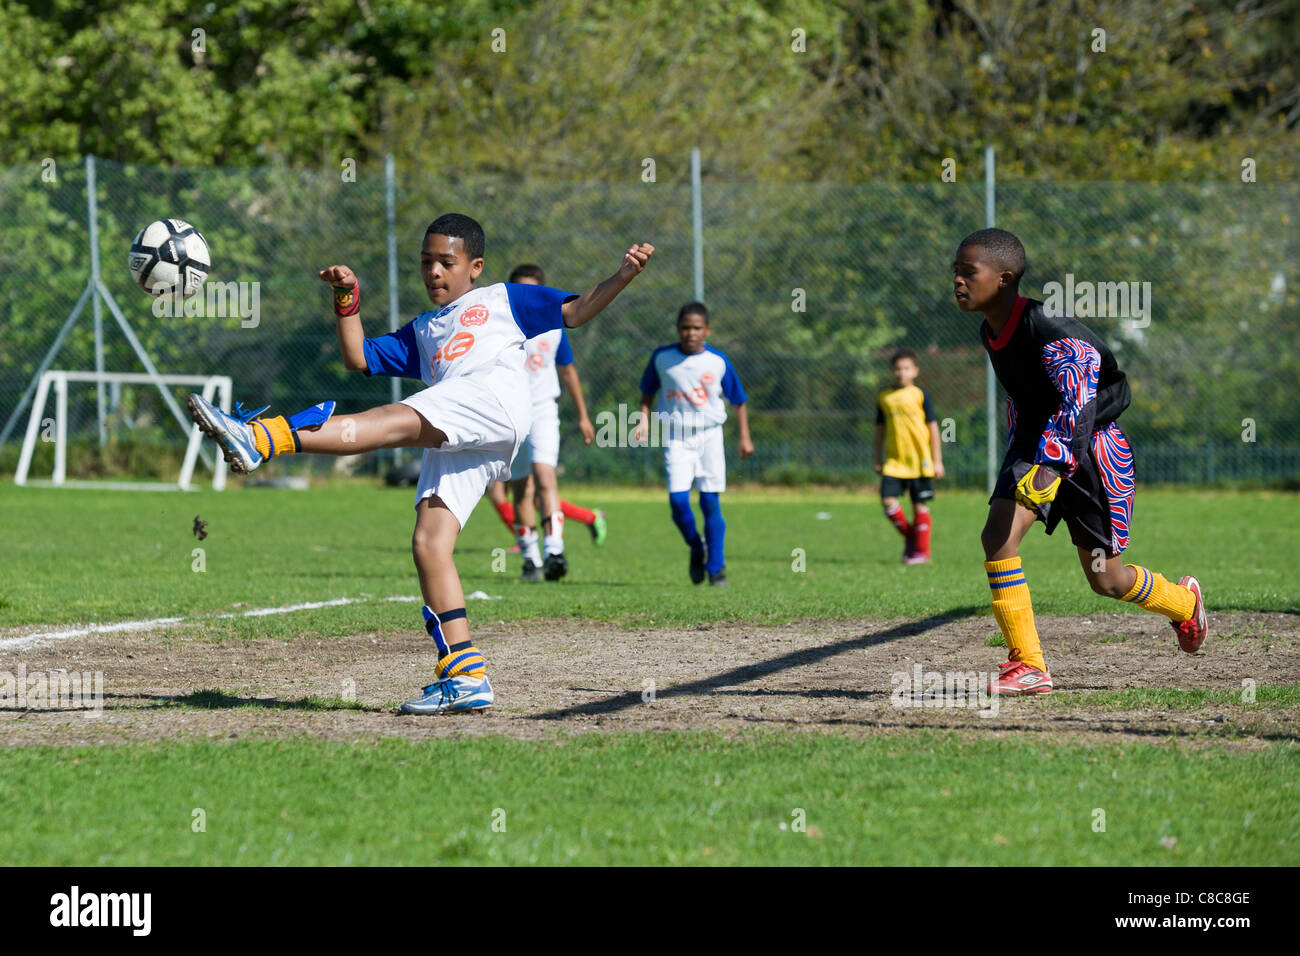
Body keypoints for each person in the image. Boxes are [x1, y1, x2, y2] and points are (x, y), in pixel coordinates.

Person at [186, 213, 654, 713]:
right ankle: (466, 676)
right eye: (426, 262)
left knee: (390, 420)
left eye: (446, 262)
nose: (434, 271)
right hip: (469, 426)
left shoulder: (502, 299)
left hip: (492, 398)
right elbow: (358, 358)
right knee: (430, 543)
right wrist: (346, 299)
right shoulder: (423, 331)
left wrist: (622, 276)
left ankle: (263, 437)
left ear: (474, 266)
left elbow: (578, 311)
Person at [953, 228, 1207, 695]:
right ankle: (1028, 664)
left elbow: (1081, 395)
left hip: (1091, 448)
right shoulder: (991, 331)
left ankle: (1184, 604)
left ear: (1005, 279)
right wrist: (1023, 455)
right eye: (956, 272)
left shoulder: (1045, 324)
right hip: (1039, 445)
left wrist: (1052, 467)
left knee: (1106, 580)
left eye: (969, 272)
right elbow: (1025, 398)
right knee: (997, 538)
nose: (958, 281)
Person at [494, 263, 606, 582]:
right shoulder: (501, 325)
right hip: (509, 412)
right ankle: (530, 559)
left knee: (545, 476)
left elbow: (567, 371)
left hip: (543, 409)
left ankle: (554, 551)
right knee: (520, 488)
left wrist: (583, 416)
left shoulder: (554, 326)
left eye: (532, 289)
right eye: (519, 290)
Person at [637, 302, 753, 586]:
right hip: (676, 436)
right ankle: (696, 546)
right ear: (678, 329)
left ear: (707, 330)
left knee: (709, 501)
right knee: (678, 501)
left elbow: (738, 400)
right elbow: (647, 391)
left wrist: (745, 436)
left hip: (710, 435)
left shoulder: (718, 361)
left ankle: (717, 569)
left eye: (697, 328)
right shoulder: (662, 357)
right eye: (686, 327)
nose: (691, 333)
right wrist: (643, 420)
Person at [874, 347, 944, 563]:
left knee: (919, 505)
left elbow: (933, 427)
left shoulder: (920, 395)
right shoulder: (884, 397)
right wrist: (877, 458)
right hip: (894, 462)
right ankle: (914, 537)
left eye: (906, 368)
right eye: (897, 368)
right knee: (887, 501)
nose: (901, 372)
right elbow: (880, 430)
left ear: (915, 371)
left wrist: (937, 460)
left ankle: (921, 553)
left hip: (919, 461)